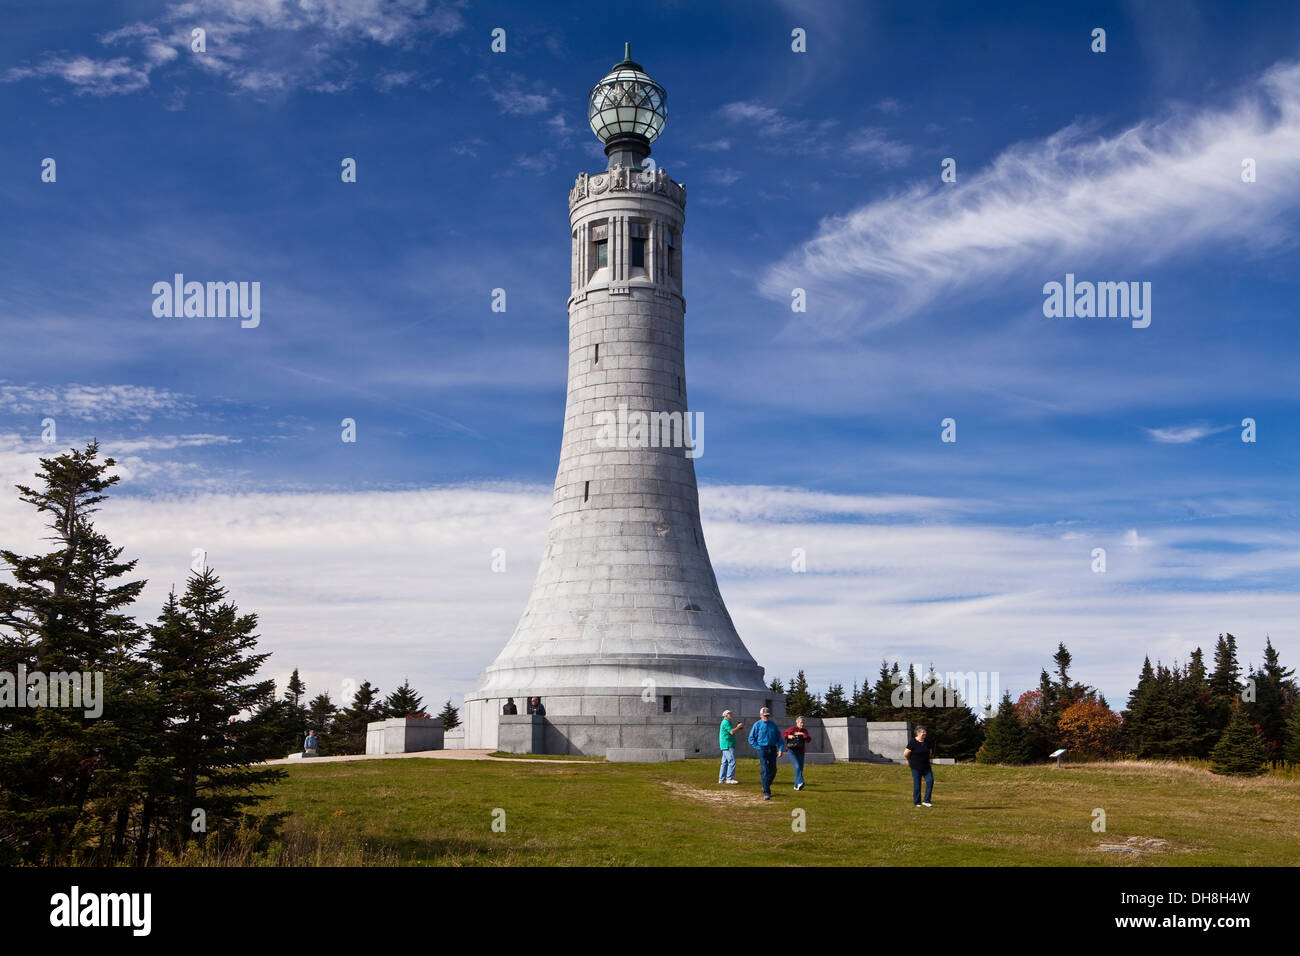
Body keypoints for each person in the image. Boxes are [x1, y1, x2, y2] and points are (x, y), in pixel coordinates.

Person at [747, 707, 784, 799]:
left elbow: (780, 738)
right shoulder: (757, 725)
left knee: (773, 770)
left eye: (767, 715)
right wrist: (758, 747)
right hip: (762, 749)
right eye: (764, 715)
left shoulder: (773, 725)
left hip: (772, 749)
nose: (766, 717)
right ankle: (766, 792)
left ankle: (766, 783)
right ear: (760, 715)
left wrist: (780, 749)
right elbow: (751, 738)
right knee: (765, 769)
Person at [904, 725, 933, 807]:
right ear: (918, 733)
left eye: (925, 732)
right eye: (923, 732)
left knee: (930, 781)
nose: (924, 733)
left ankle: (927, 801)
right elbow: (906, 753)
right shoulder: (912, 742)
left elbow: (930, 752)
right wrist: (910, 760)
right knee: (917, 784)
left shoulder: (927, 742)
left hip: (926, 766)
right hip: (915, 766)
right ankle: (917, 802)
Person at [783, 715, 811, 791]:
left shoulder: (804, 731)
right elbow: (783, 735)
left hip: (801, 752)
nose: (802, 724)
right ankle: (801, 782)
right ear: (797, 722)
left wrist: (802, 734)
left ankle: (796, 786)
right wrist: (790, 736)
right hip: (792, 751)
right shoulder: (792, 729)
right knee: (797, 766)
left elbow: (808, 739)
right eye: (801, 723)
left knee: (800, 769)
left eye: (803, 723)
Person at [718, 709, 744, 784]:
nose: (731, 714)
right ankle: (729, 778)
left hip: (726, 744)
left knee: (724, 762)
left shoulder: (727, 722)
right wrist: (738, 727)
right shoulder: (726, 722)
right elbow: (732, 732)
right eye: (729, 713)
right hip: (727, 744)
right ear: (726, 715)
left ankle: (721, 779)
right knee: (732, 761)